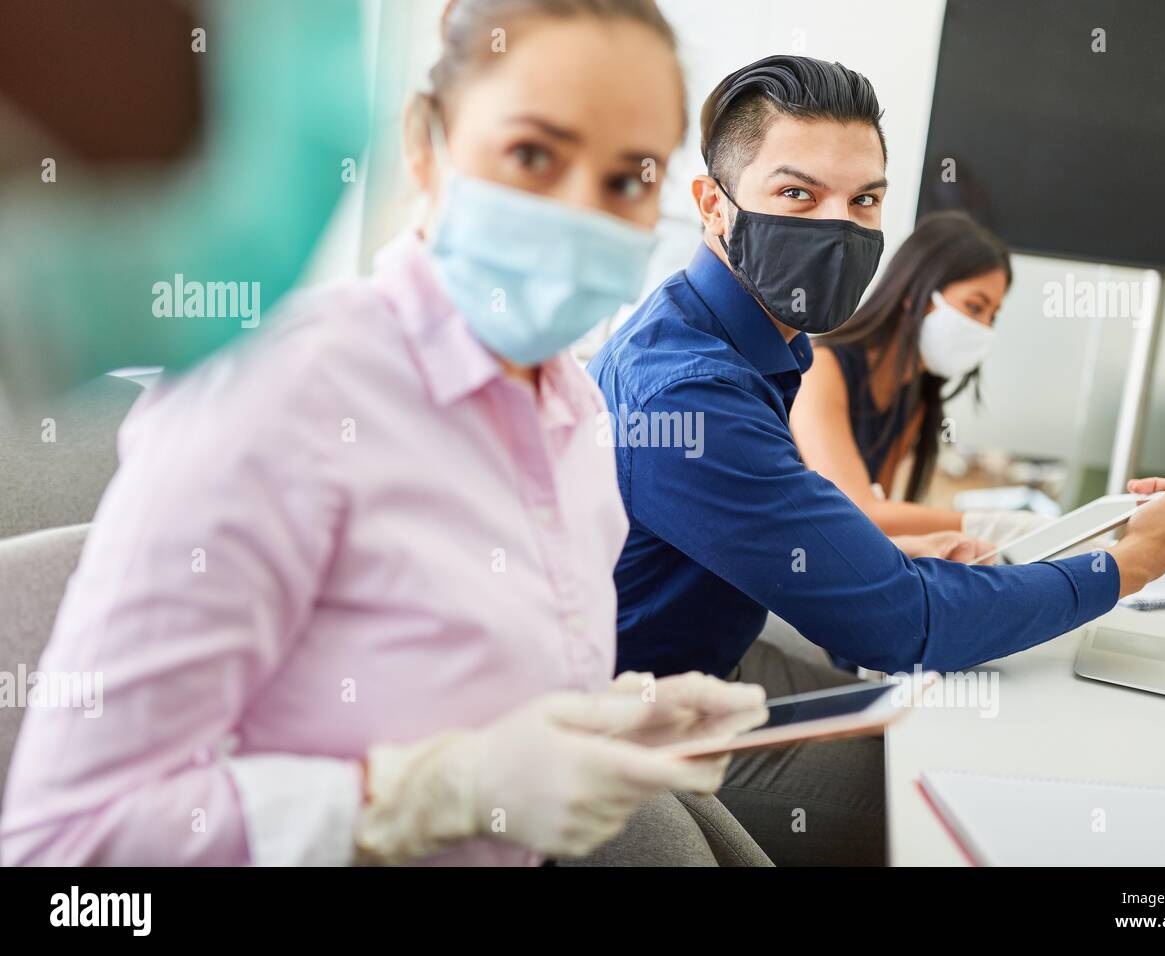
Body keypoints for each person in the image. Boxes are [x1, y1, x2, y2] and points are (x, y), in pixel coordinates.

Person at [0, 0, 765, 868]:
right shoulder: (283, 398)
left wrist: (607, 723)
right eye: (533, 154)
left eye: (628, 178)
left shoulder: (577, 419)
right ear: (424, 143)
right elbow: (63, 854)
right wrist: (417, 796)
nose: (582, 212)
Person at [588, 54, 1165, 865]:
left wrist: (891, 551)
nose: (837, 228)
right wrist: (1123, 569)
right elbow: (904, 623)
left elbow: (788, 513)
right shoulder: (691, 391)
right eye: (797, 194)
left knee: (952, 717)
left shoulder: (741, 337)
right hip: (640, 718)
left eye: (865, 200)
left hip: (715, 660)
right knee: (946, 791)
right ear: (714, 205)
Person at [789, 209, 1050, 547]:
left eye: (992, 316)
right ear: (917, 293)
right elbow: (858, 511)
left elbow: (880, 514)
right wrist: (993, 526)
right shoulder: (821, 368)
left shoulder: (915, 397)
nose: (984, 328)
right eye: (974, 307)